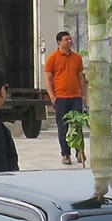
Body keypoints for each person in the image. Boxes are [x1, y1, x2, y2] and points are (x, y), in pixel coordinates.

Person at [44, 30, 87, 166]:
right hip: (60, 98)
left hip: (75, 97)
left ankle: (80, 152)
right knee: (63, 127)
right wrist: (52, 97)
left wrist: (84, 96)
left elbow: (81, 78)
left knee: (77, 126)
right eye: (66, 39)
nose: (69, 41)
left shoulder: (77, 58)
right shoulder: (52, 58)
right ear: (59, 42)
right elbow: (48, 79)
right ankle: (65, 154)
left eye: (70, 39)